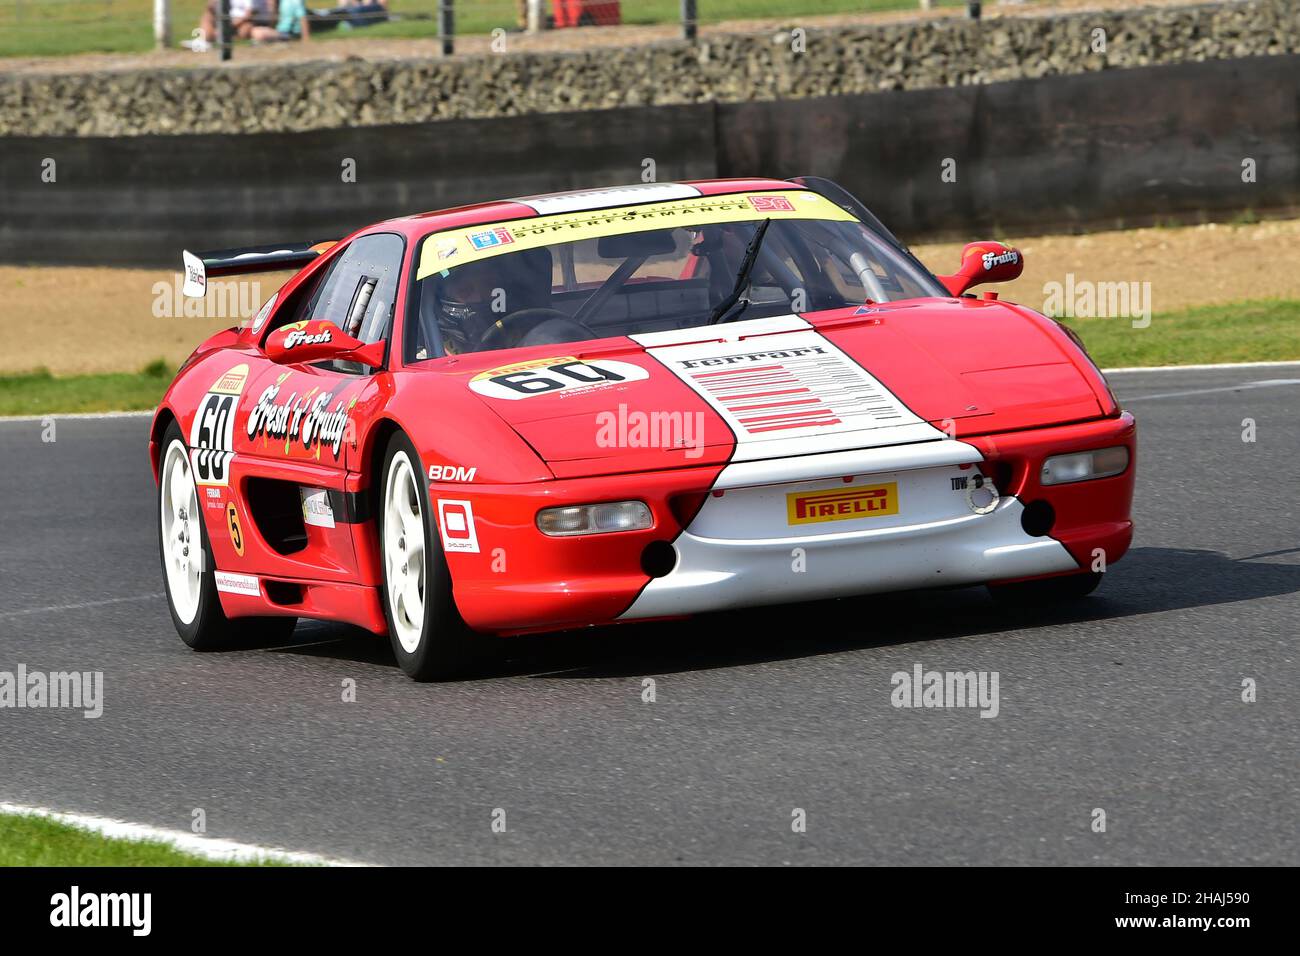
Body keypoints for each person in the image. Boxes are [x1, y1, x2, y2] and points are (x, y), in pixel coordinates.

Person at [182, 0, 278, 51]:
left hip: (247, 21)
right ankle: (203, 40)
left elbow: (250, 13)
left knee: (246, 29)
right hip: (229, 18)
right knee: (208, 14)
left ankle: (219, 37)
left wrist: (230, 24)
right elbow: (214, 5)